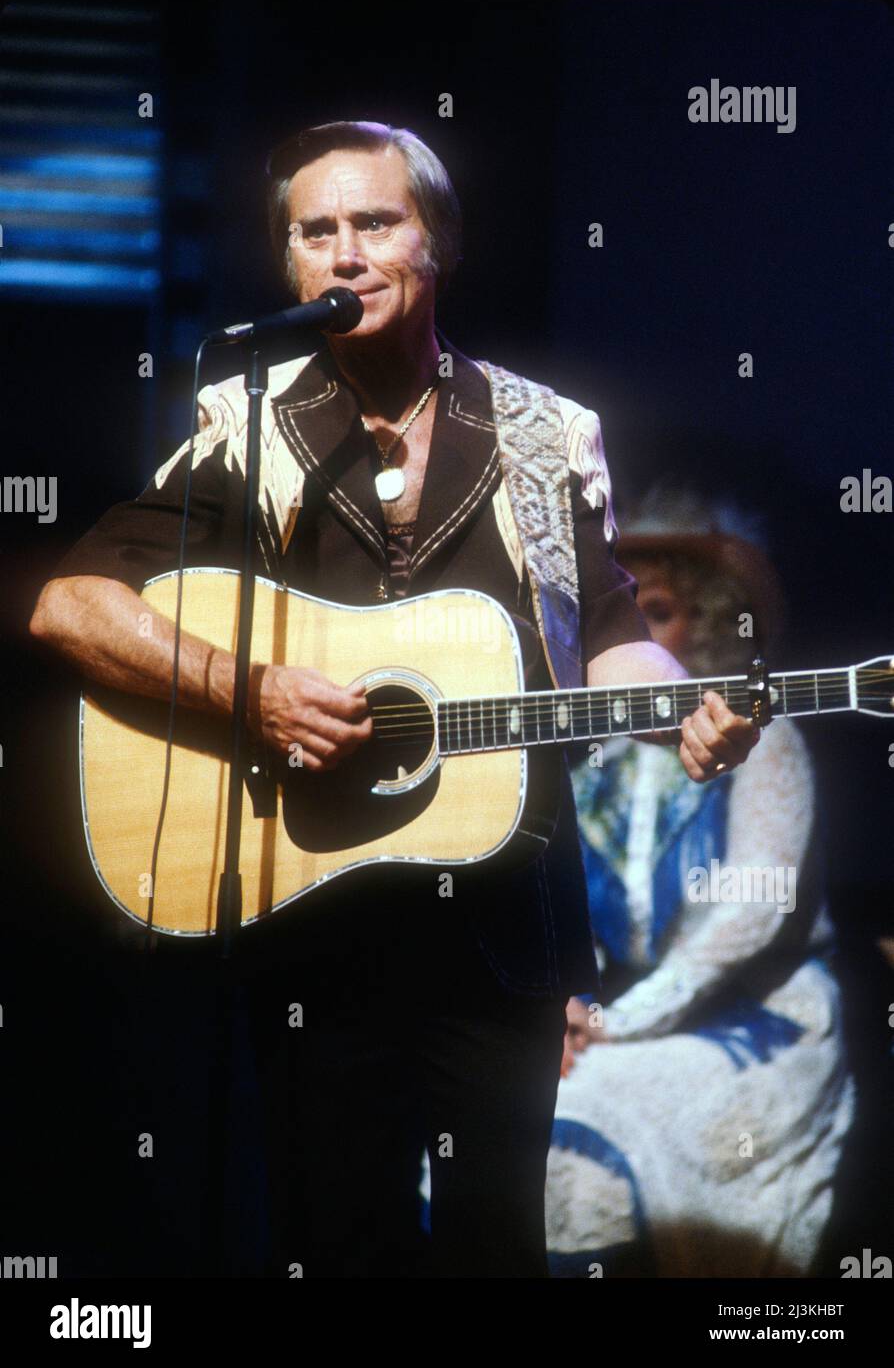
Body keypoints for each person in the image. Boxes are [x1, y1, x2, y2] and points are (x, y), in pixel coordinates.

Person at [29, 122, 758, 1278]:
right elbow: (68, 605)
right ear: (288, 266)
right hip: (315, 913)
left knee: (492, 1251)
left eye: (376, 223)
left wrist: (684, 707)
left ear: (442, 241)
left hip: (505, 919)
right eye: (316, 232)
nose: (346, 255)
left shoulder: (544, 433)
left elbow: (613, 635)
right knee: (333, 1242)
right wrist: (251, 691)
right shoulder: (247, 426)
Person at [546, 488, 855, 1277]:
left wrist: (613, 1025)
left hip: (756, 1021)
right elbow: (552, 908)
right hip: (616, 1018)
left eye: (653, 613)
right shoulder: (594, 763)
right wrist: (565, 1012)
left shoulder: (765, 742)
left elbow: (745, 919)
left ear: (711, 621)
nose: (630, 638)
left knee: (582, 1132)